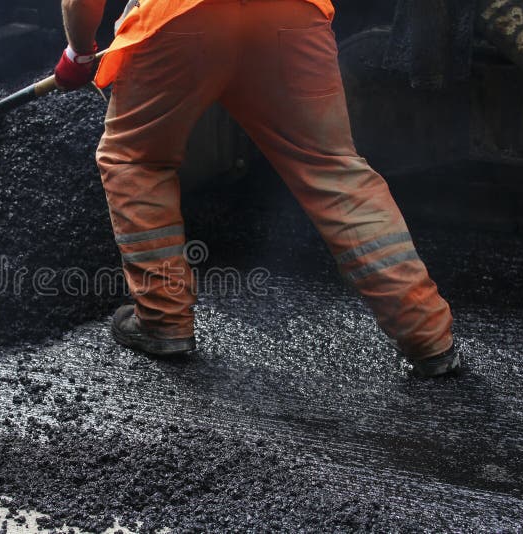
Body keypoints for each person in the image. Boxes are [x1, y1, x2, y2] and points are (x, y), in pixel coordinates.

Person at [53, 0, 460, 377]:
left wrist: (79, 52)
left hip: (183, 17)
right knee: (333, 169)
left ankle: (163, 320)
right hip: (291, 15)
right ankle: (427, 337)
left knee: (136, 160)